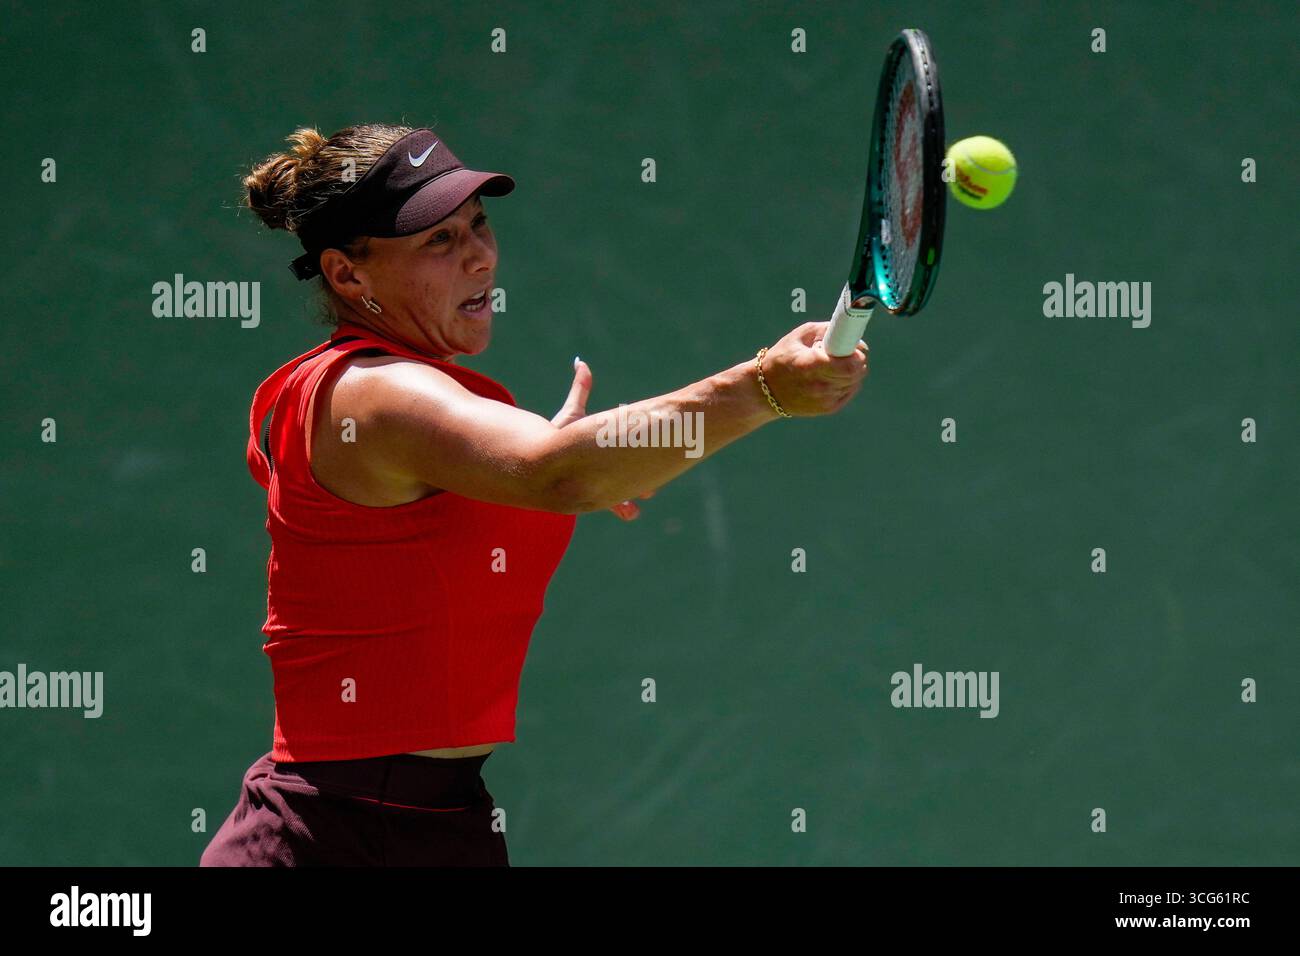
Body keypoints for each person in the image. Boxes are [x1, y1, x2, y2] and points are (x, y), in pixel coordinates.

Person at [199, 123, 868, 867]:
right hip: (330, 834)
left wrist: (587, 464)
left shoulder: (435, 407)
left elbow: (556, 476)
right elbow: (558, 474)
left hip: (439, 823)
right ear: (349, 276)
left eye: (478, 225)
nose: (481, 255)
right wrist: (761, 389)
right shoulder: (372, 396)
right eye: (438, 241)